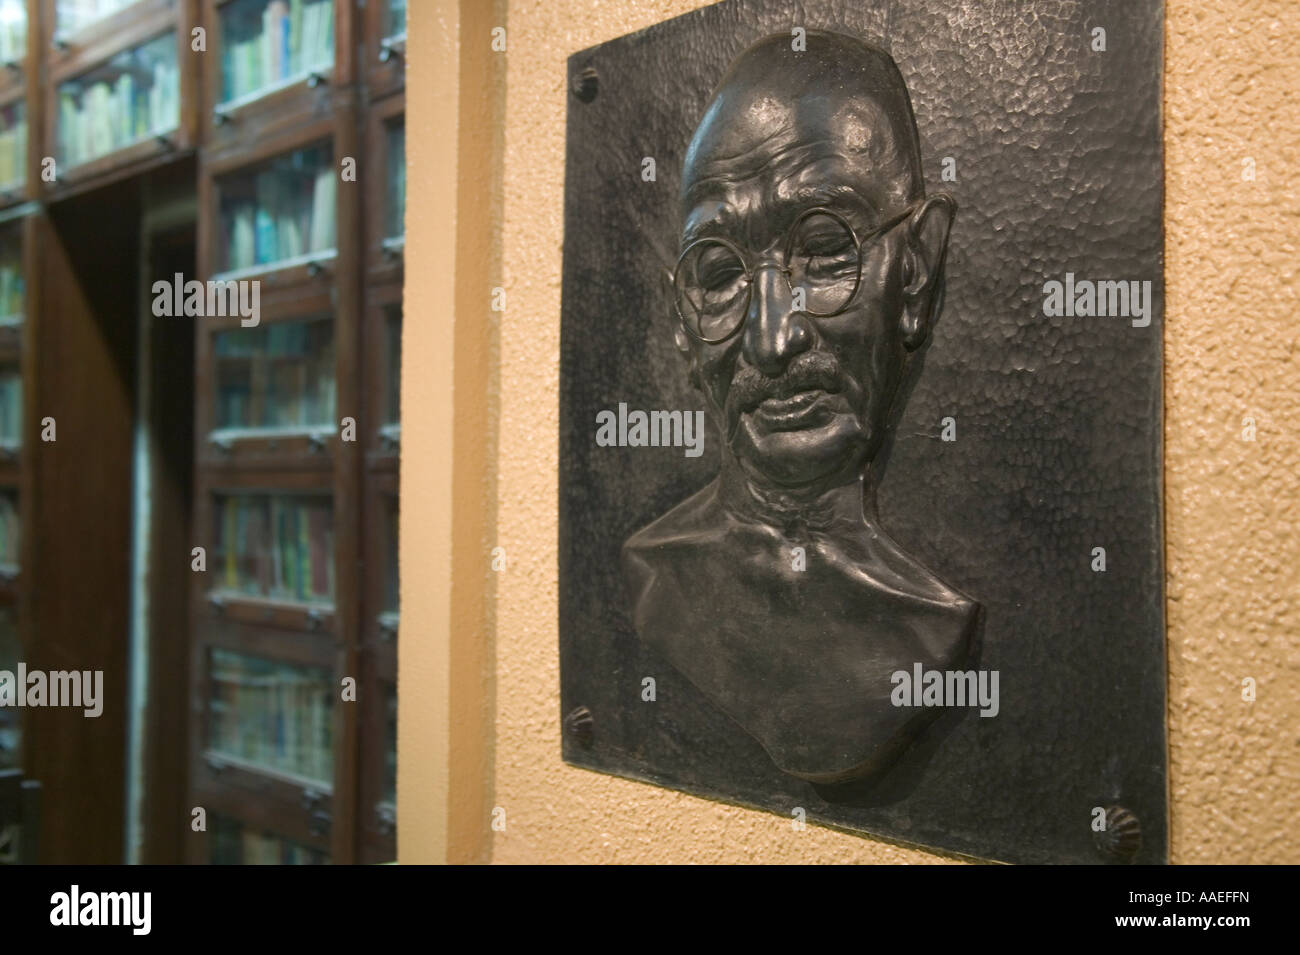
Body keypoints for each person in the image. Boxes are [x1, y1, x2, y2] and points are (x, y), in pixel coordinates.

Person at [622, 30, 981, 783]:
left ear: (916, 273)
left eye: (824, 253)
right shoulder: (657, 579)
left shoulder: (928, 629)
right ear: (685, 326)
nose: (771, 338)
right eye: (718, 275)